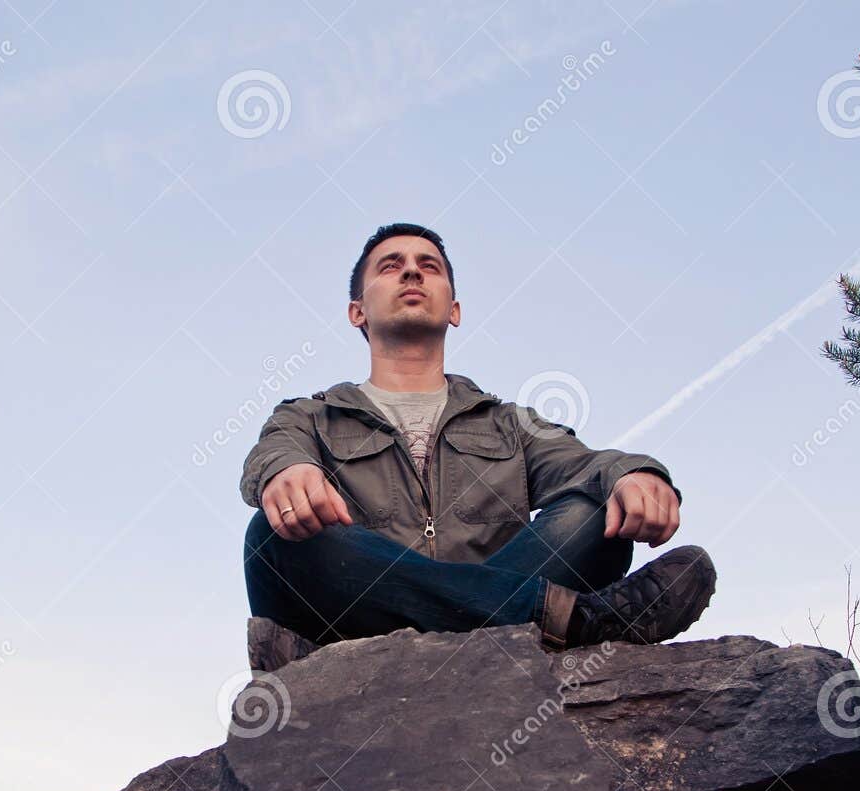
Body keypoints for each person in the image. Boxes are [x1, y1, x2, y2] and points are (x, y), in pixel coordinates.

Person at [240, 222, 715, 652]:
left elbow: (582, 464)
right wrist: (287, 471)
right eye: (392, 267)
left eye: (429, 267)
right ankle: (569, 621)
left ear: (455, 310)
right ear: (356, 311)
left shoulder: (509, 422)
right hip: (352, 625)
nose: (412, 274)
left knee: (597, 512)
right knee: (273, 533)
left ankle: (475, 630)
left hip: (465, 615)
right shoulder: (311, 415)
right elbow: (275, 451)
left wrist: (633, 473)